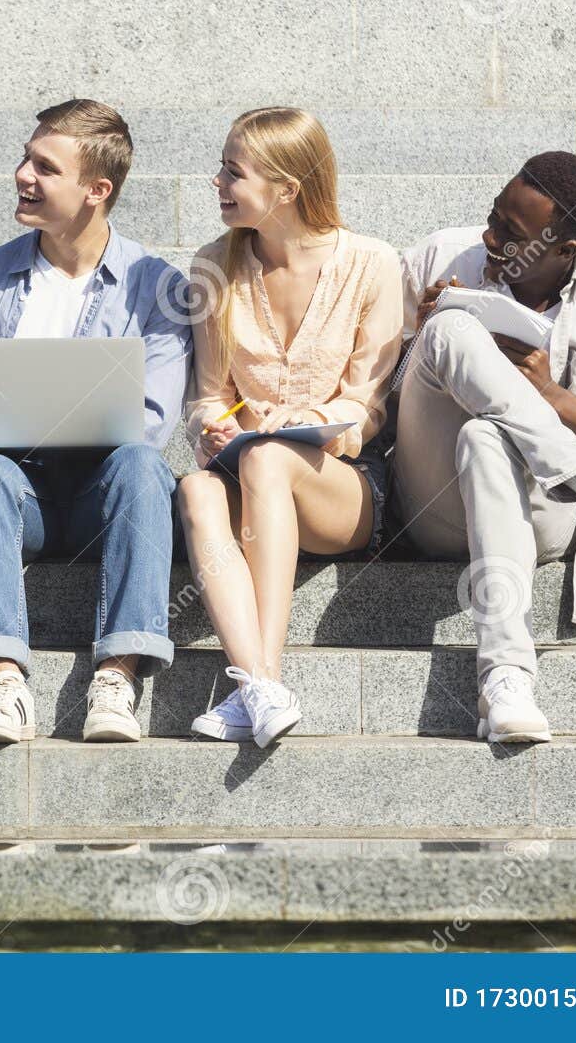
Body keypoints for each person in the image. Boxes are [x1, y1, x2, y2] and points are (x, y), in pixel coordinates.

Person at [0, 99, 191, 744]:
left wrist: (27, 423)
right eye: (25, 157)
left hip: (108, 495)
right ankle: (4, 679)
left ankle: (117, 676)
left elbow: (150, 420)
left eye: (45, 166)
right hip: (16, 495)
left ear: (97, 190)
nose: (22, 175)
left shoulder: (156, 286)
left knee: (144, 465)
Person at [390, 151, 576, 744]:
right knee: (448, 329)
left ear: (564, 249)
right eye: (494, 215)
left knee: (486, 433)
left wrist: (554, 395)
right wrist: (415, 344)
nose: (489, 236)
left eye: (511, 234)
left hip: (538, 515)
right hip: (429, 499)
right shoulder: (438, 257)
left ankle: (507, 678)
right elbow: (374, 408)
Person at [176, 107, 403, 748]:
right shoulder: (212, 267)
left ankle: (261, 677)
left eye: (232, 172)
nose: (217, 183)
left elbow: (369, 406)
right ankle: (260, 688)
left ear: (286, 189)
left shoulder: (371, 264)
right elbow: (208, 397)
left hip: (344, 486)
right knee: (195, 489)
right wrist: (215, 429)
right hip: (246, 474)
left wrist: (308, 419)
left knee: (270, 457)